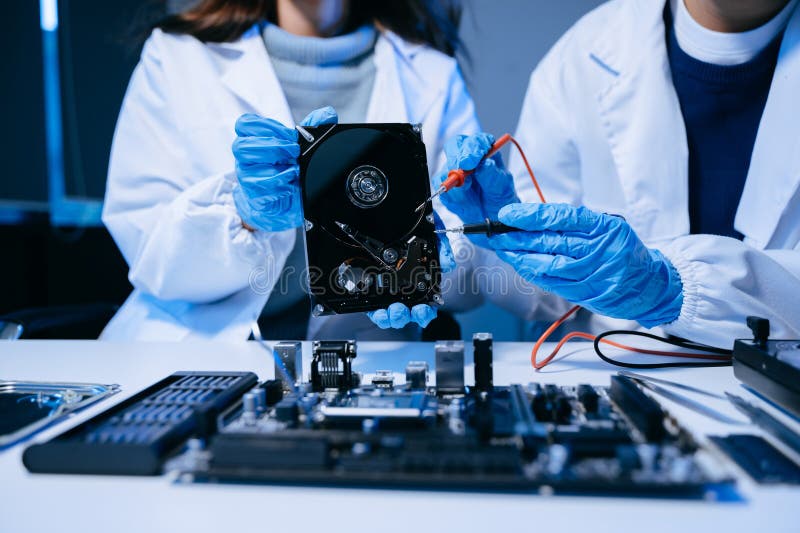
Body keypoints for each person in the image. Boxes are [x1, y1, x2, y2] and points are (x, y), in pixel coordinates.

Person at [100, 0, 497, 341]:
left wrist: (432, 260)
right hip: (197, 349)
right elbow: (149, 250)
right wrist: (244, 216)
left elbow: (472, 270)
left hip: (371, 354)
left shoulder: (431, 74)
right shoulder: (176, 57)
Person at [439, 0, 800, 348]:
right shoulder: (584, 56)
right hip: (620, 371)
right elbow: (543, 296)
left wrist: (669, 287)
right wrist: (504, 236)